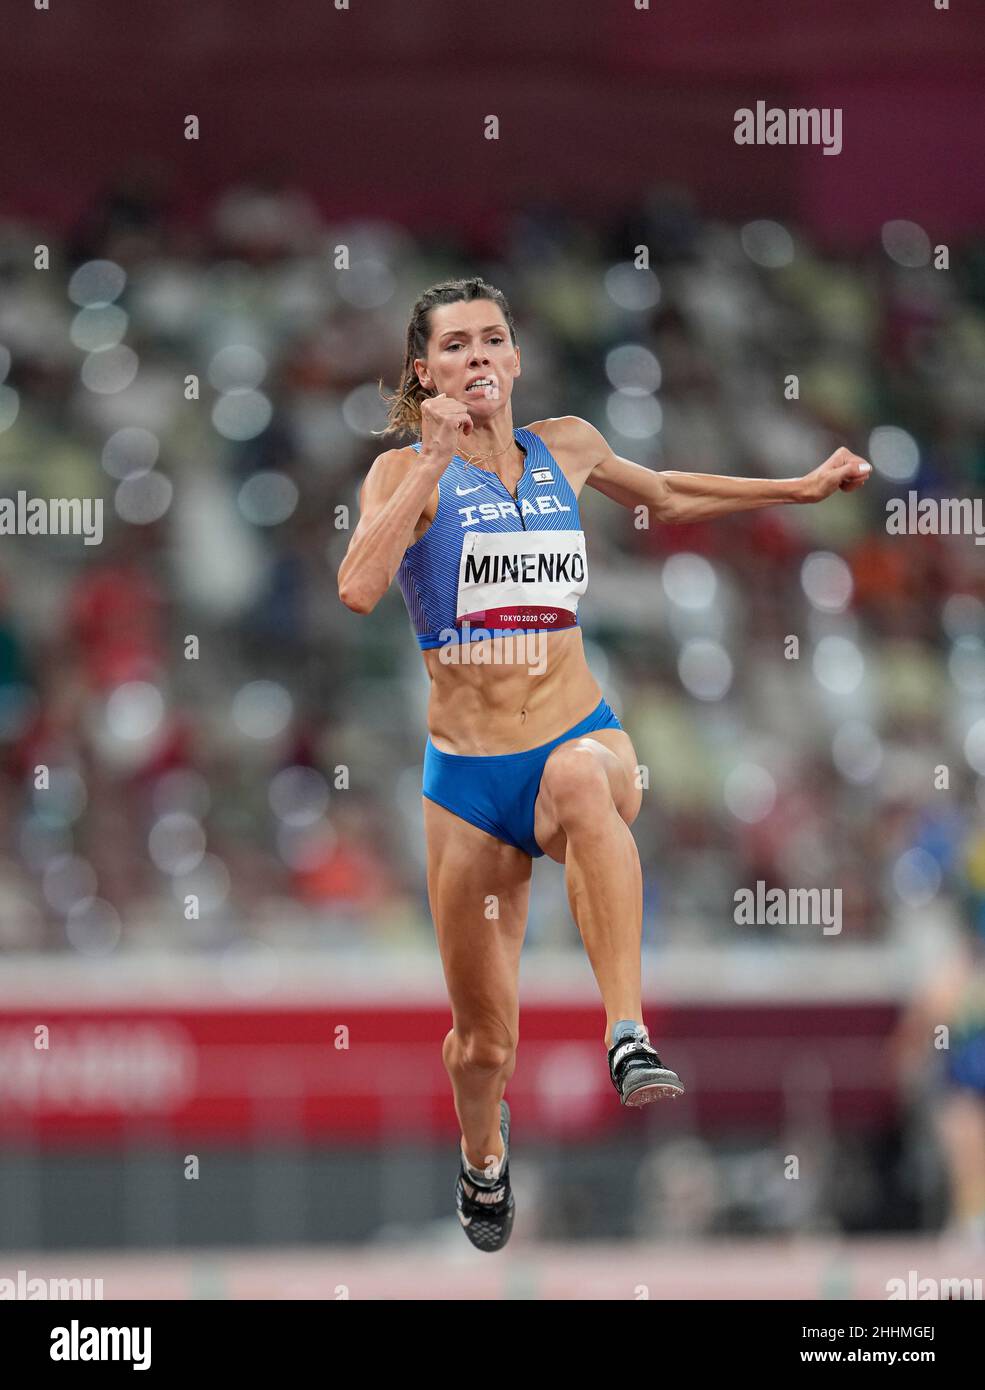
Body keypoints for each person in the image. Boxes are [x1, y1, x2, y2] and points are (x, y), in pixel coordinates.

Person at [337, 276, 871, 1251]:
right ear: (424, 373)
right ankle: (483, 1160)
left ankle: (625, 1030)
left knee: (588, 779)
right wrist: (430, 465)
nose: (479, 358)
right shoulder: (397, 477)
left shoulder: (566, 445)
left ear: (517, 357)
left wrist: (795, 487)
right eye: (455, 346)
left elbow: (664, 494)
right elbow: (357, 587)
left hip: (574, 728)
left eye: (493, 338)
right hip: (467, 780)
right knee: (482, 1045)